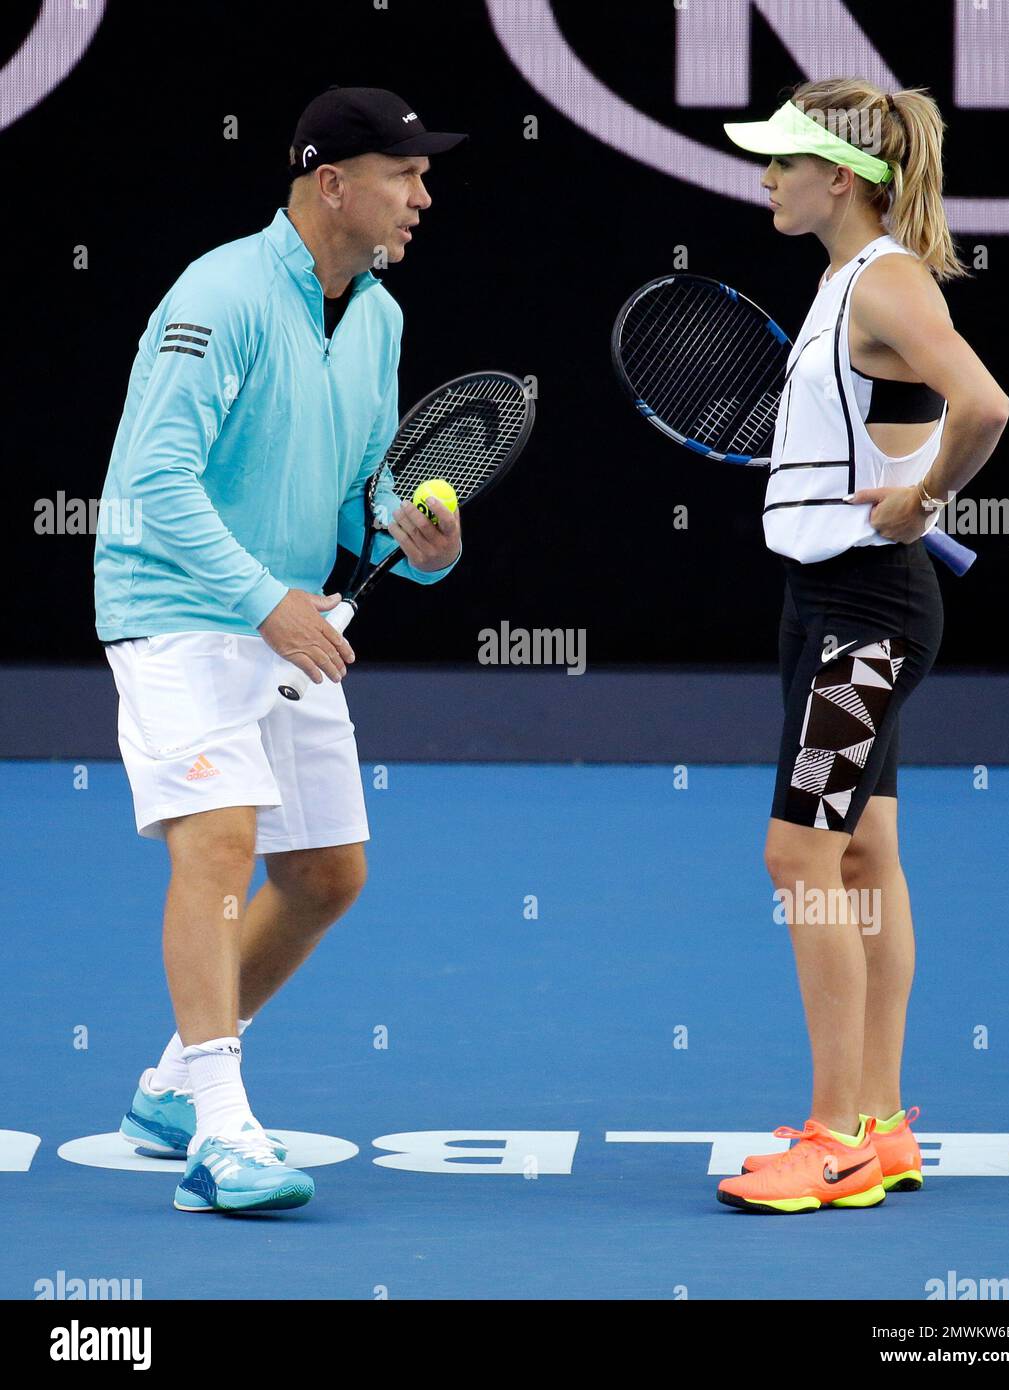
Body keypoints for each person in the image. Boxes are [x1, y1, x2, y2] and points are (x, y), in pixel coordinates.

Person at [94, 87, 466, 1213]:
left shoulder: (382, 316)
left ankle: (167, 1084)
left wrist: (415, 534)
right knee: (219, 842)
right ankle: (218, 1129)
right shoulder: (221, 294)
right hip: (179, 606)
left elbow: (364, 487)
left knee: (324, 873)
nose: (422, 194)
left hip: (283, 615)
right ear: (331, 183)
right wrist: (265, 602)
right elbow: (156, 480)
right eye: (405, 174)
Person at [715, 80, 1009, 1214]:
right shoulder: (848, 285)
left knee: (799, 859)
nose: (767, 179)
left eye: (783, 163)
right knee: (862, 856)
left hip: (865, 615)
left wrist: (924, 496)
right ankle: (880, 1124)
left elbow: (983, 403)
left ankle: (833, 1134)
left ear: (840, 178)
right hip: (843, 603)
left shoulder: (881, 280)